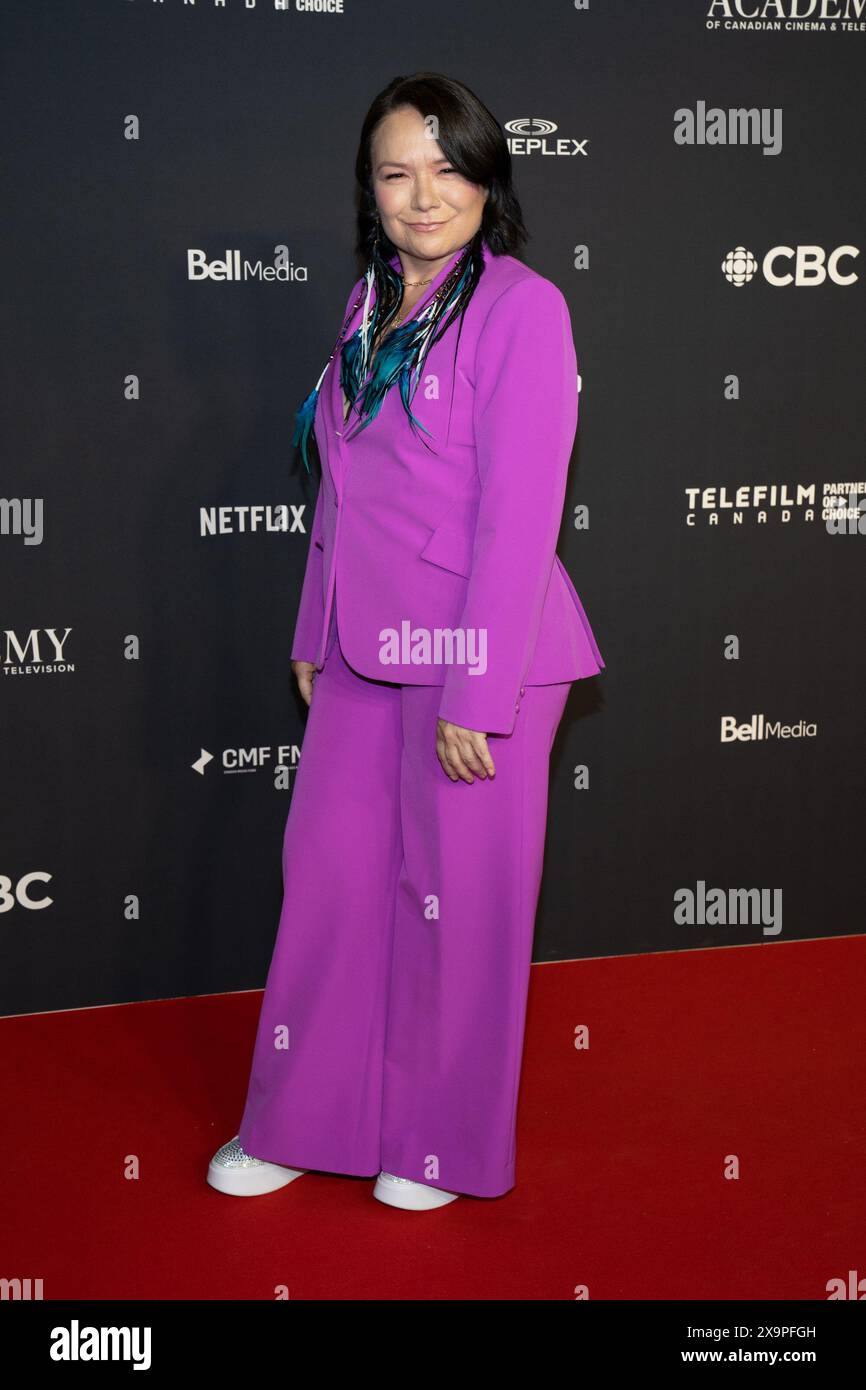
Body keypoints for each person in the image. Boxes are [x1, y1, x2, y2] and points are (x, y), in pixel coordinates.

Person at [207, 71, 604, 1210]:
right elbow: (344, 481)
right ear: (368, 192)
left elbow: (519, 512)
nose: (422, 195)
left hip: (485, 661)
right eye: (396, 173)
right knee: (329, 884)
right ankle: (299, 1118)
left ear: (486, 178)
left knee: (457, 903)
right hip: (359, 650)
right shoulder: (366, 303)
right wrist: (312, 622)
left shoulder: (521, 308)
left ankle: (432, 1140)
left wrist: (475, 695)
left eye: (446, 168)